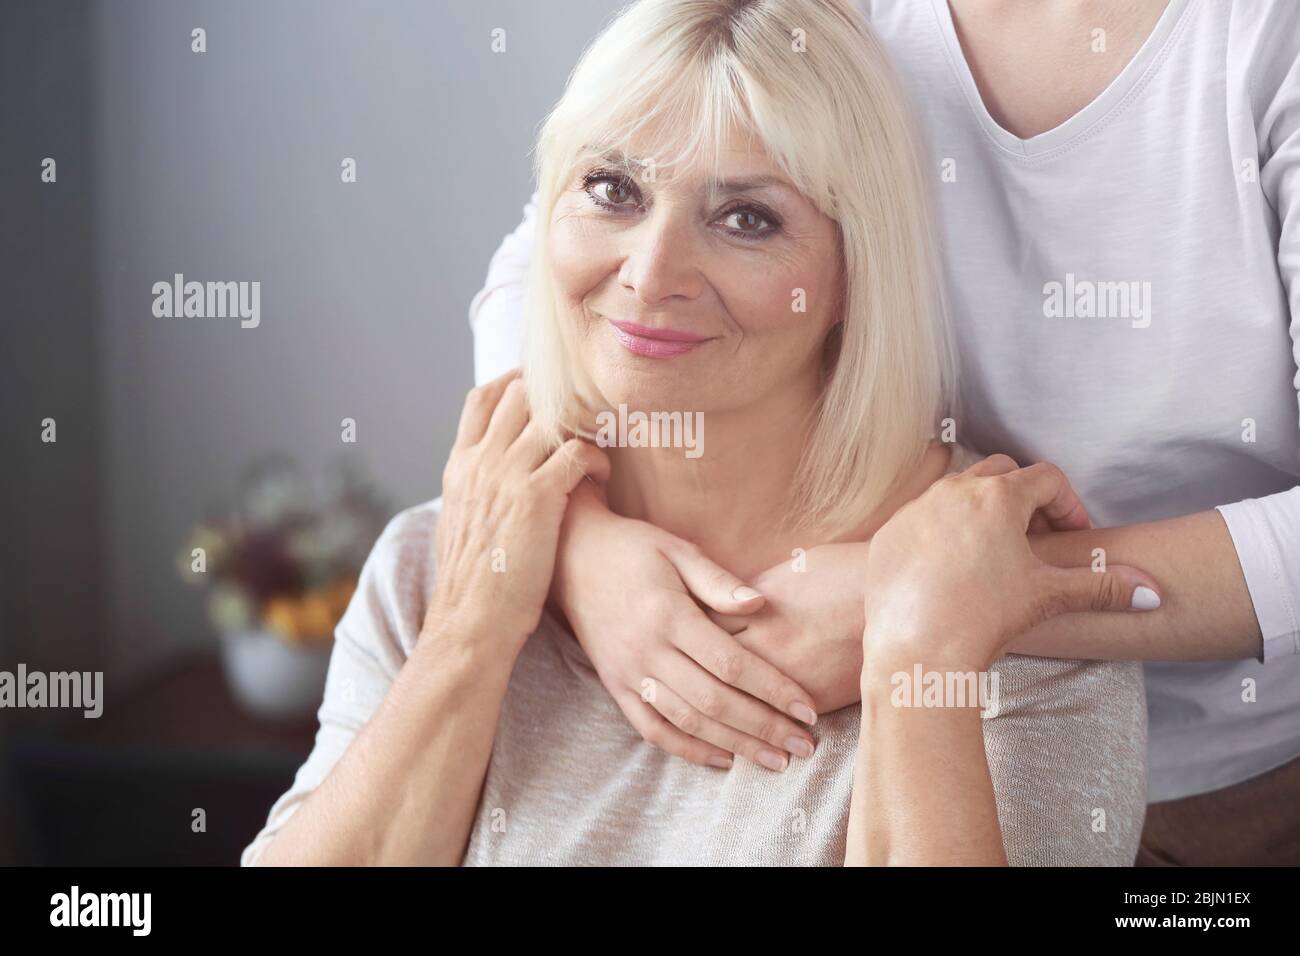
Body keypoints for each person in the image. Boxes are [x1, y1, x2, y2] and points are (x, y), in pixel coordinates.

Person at [242, 0, 1157, 866]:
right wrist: (472, 634)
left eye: (747, 218)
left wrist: (920, 655)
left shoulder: (1007, 618)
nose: (652, 272)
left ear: (853, 273)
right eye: (612, 189)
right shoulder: (434, 563)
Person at [470, 0, 1300, 865]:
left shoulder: (1265, 43)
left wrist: (915, 594)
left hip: (1243, 776)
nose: (654, 273)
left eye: (747, 219)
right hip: (881, 663)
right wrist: (577, 545)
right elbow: (558, 243)